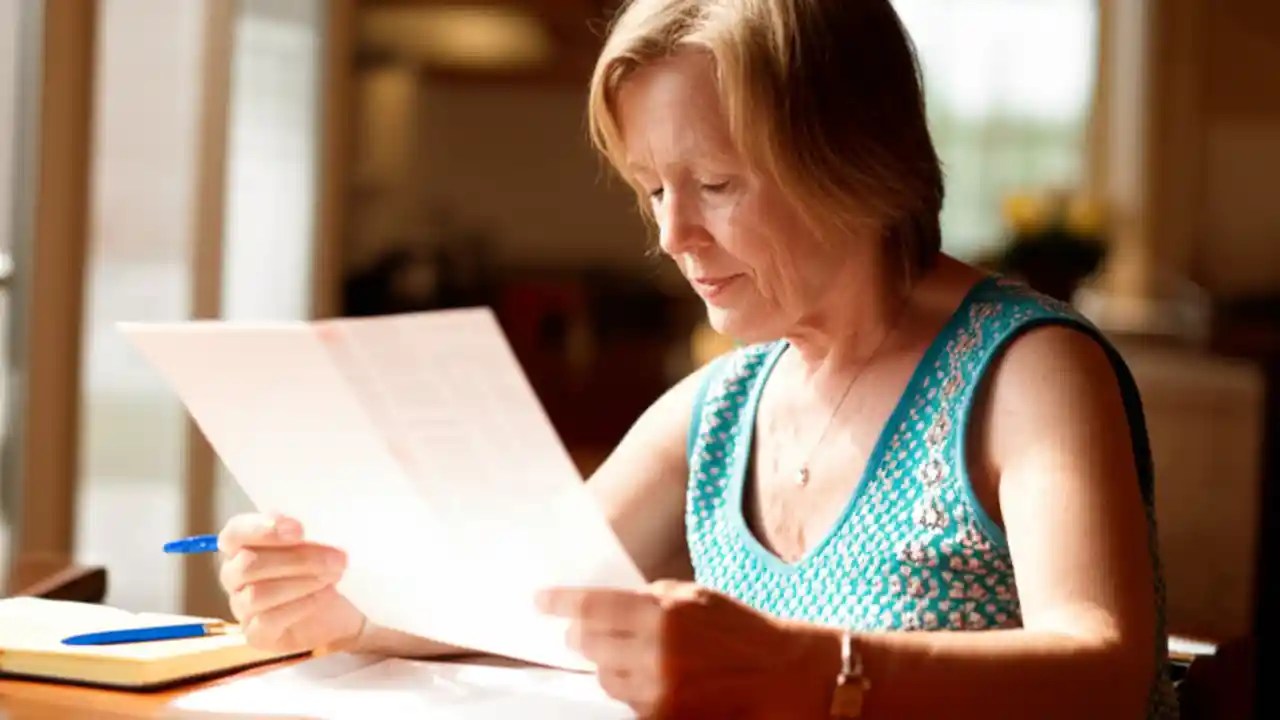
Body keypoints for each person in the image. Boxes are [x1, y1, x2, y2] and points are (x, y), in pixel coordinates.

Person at [214, 1, 1178, 717]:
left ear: (856, 159)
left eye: (716, 184)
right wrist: (339, 605)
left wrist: (802, 670)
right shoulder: (720, 406)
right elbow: (517, 603)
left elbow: (1105, 667)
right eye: (651, 189)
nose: (673, 235)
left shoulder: (1027, 369)